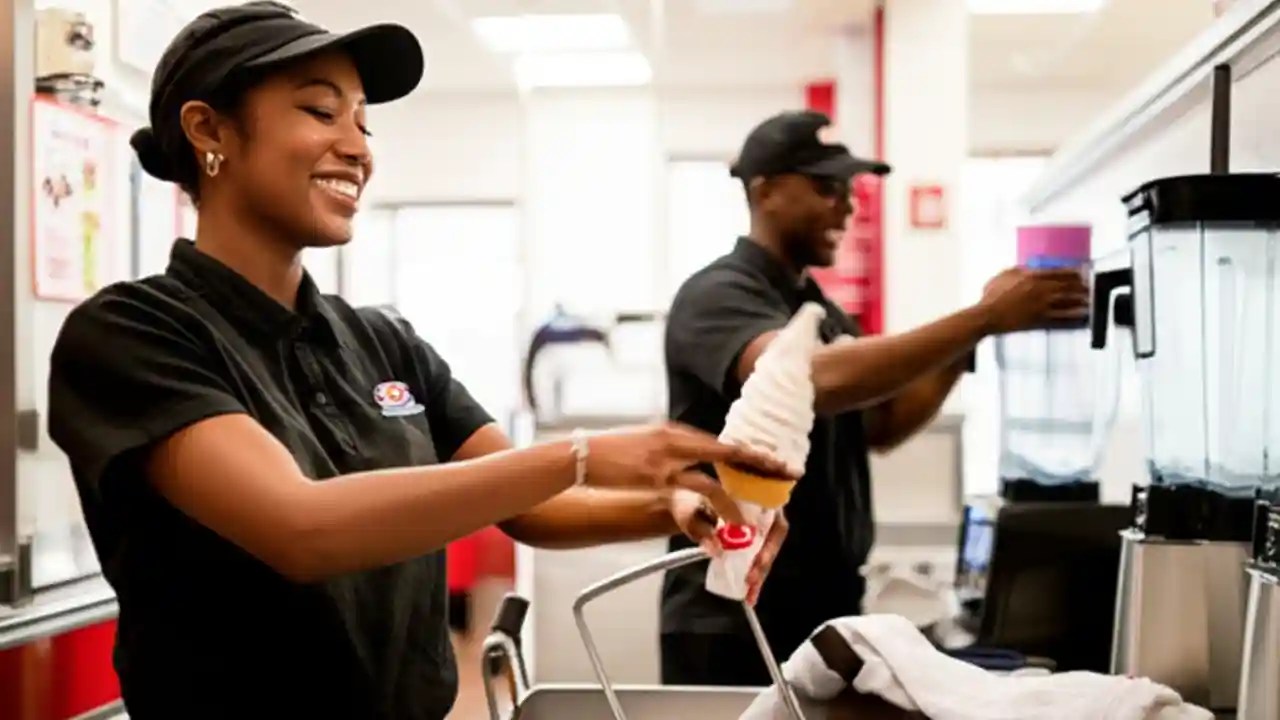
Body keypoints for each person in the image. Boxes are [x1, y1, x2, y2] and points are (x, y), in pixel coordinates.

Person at [45, 4, 793, 718]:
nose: (358, 146)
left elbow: (525, 505)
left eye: (363, 121)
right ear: (210, 130)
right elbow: (301, 530)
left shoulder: (383, 341)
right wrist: (585, 455)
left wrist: (671, 508)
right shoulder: (132, 336)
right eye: (320, 111)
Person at [659, 110, 1090, 686]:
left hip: (821, 608)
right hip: (735, 615)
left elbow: (880, 424)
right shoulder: (718, 295)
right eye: (825, 186)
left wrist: (973, 341)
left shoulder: (817, 308)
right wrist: (980, 317)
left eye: (848, 188)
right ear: (765, 191)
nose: (846, 204)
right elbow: (812, 380)